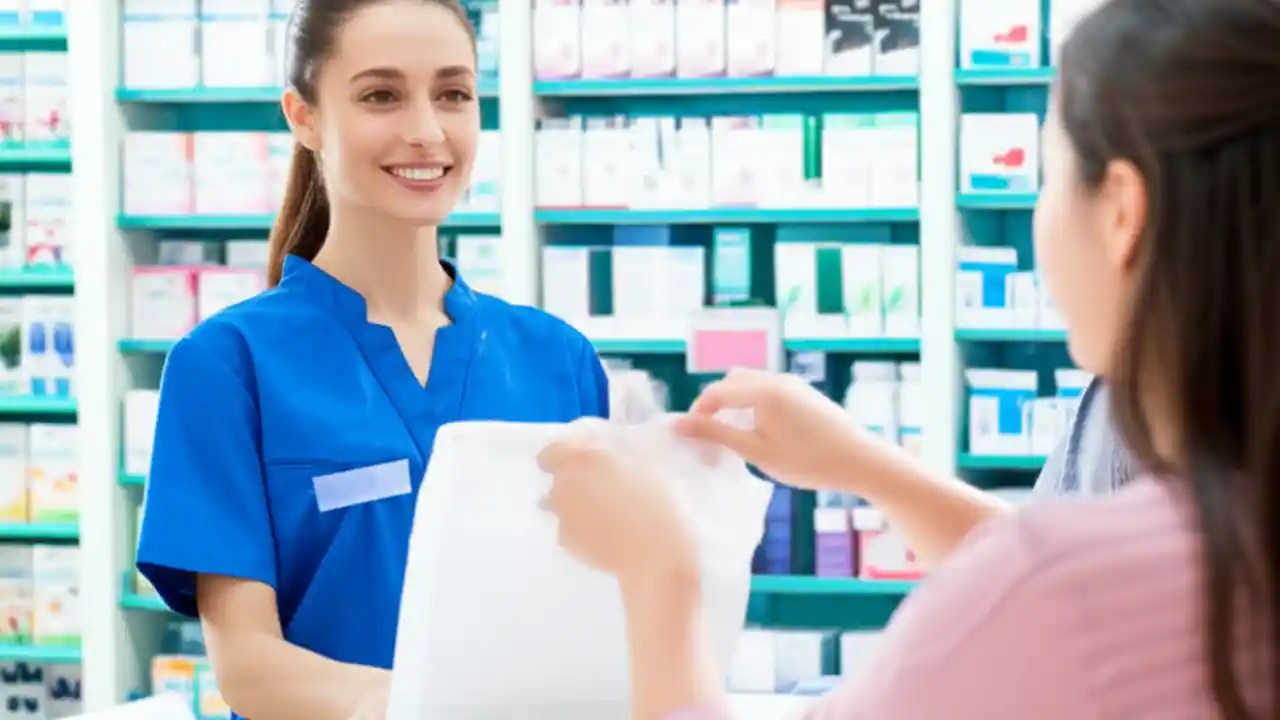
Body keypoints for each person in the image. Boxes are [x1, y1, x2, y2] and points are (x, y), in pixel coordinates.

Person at [539, 0, 1279, 717]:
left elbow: (1065, 591)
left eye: (1050, 174)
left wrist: (659, 576)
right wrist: (861, 465)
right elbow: (1081, 579)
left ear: (1122, 212)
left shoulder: (1067, 590)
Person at [134, 2, 609, 719]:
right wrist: (434, 706)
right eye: (380, 95)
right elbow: (251, 669)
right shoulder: (228, 365)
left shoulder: (557, 361)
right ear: (305, 116)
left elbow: (595, 614)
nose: (426, 131)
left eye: (453, 93)